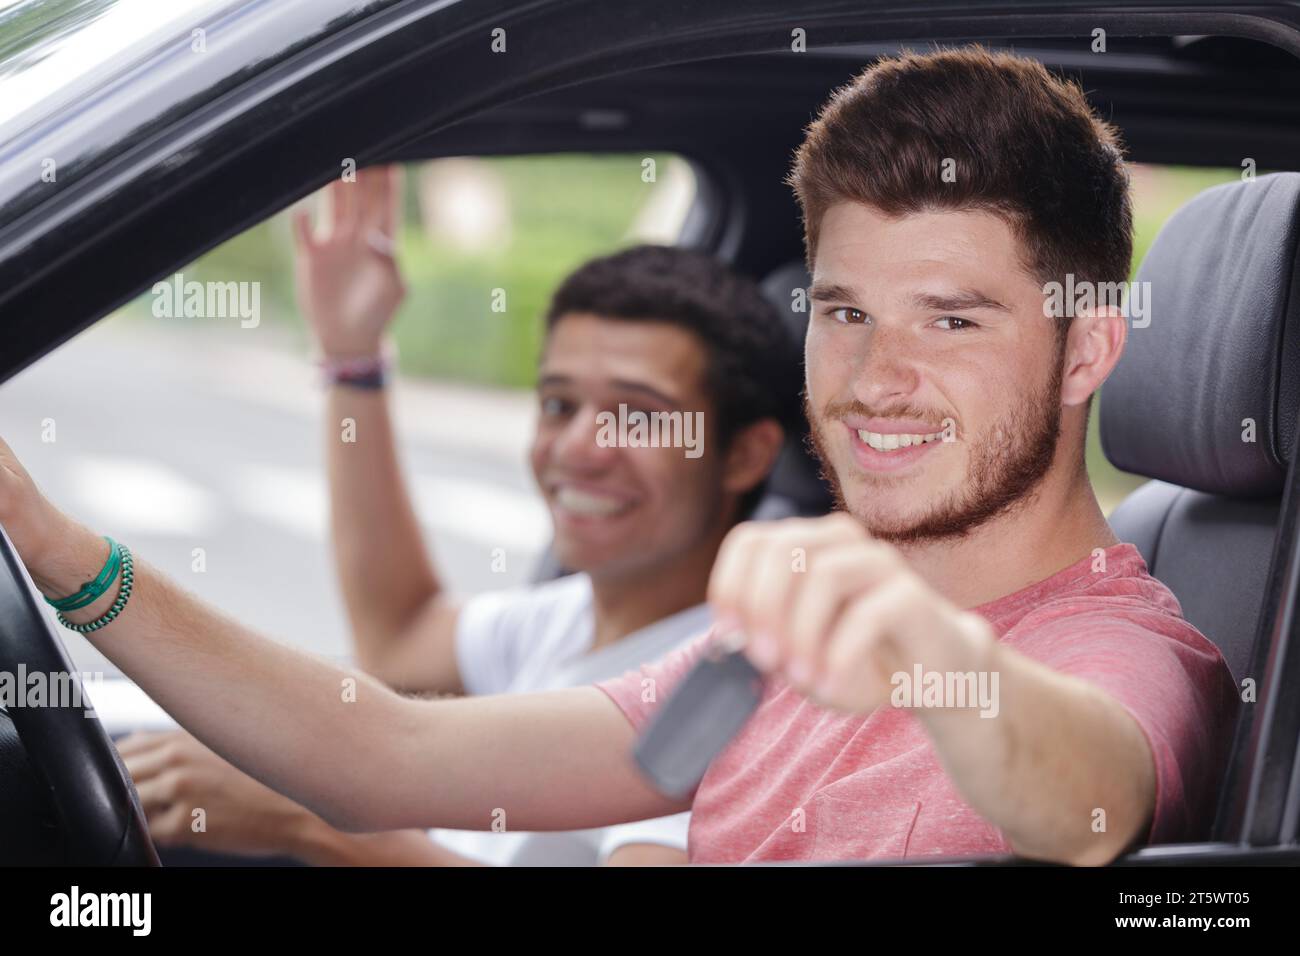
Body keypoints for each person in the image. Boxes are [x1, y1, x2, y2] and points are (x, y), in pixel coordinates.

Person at [0, 46, 1238, 865]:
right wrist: (56, 547)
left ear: (1086, 352)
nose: (872, 378)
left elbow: (1084, 800)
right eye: (846, 312)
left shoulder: (1126, 652)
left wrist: (927, 652)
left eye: (952, 319)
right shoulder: (786, 632)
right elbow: (385, 753)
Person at [111, 173, 797, 865]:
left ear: (744, 454)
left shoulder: (732, 685)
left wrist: (318, 827)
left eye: (639, 416)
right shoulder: (567, 618)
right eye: (559, 404)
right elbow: (400, 635)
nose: (580, 448)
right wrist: (354, 360)